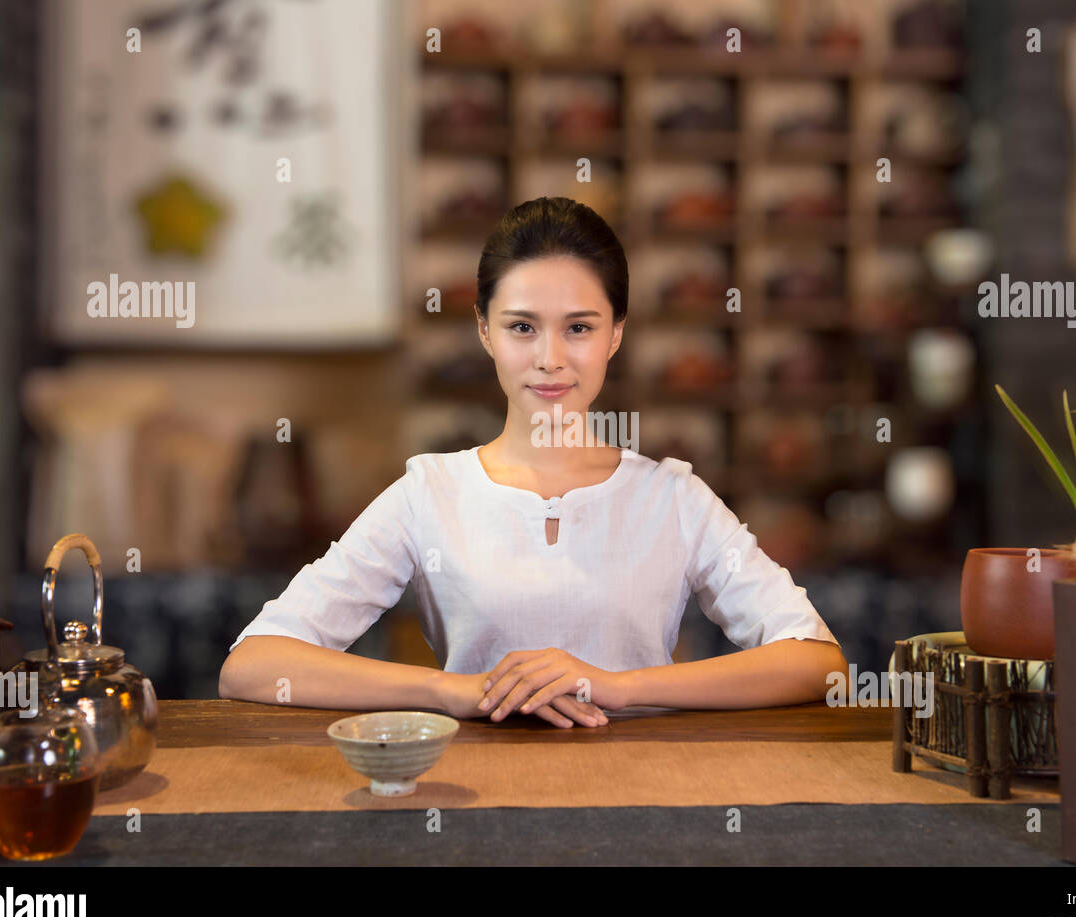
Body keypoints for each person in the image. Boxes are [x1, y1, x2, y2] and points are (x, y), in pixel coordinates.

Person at [219, 196, 847, 726]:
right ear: (485, 331)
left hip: (648, 800)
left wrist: (619, 685)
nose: (550, 358)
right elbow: (252, 664)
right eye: (522, 327)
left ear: (616, 335)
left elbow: (818, 662)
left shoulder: (673, 499)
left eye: (579, 328)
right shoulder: (429, 493)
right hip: (470, 801)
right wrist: (453, 690)